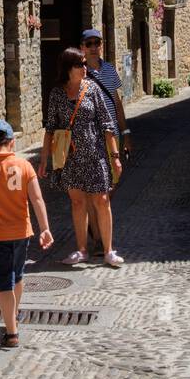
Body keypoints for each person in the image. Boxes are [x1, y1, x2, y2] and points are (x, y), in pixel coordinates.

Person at [0, 119, 53, 348]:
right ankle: (13, 316)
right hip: (22, 233)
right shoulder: (24, 166)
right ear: (12, 143)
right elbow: (37, 199)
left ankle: (12, 333)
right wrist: (45, 229)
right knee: (18, 275)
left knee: (4, 282)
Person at [38, 47, 124, 267]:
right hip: (70, 158)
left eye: (85, 64)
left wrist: (115, 156)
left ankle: (108, 251)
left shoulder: (93, 89)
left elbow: (107, 124)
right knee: (77, 203)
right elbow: (50, 128)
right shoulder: (57, 93)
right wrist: (44, 160)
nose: (85, 68)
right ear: (68, 68)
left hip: (95, 155)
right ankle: (82, 249)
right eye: (80, 65)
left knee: (101, 201)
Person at [81, 27, 131, 255]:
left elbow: (118, 104)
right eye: (89, 43)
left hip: (113, 138)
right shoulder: (79, 73)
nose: (93, 47)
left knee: (111, 187)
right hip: (92, 138)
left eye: (97, 43)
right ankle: (100, 239)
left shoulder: (109, 70)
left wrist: (126, 132)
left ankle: (96, 227)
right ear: (83, 47)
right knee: (97, 190)